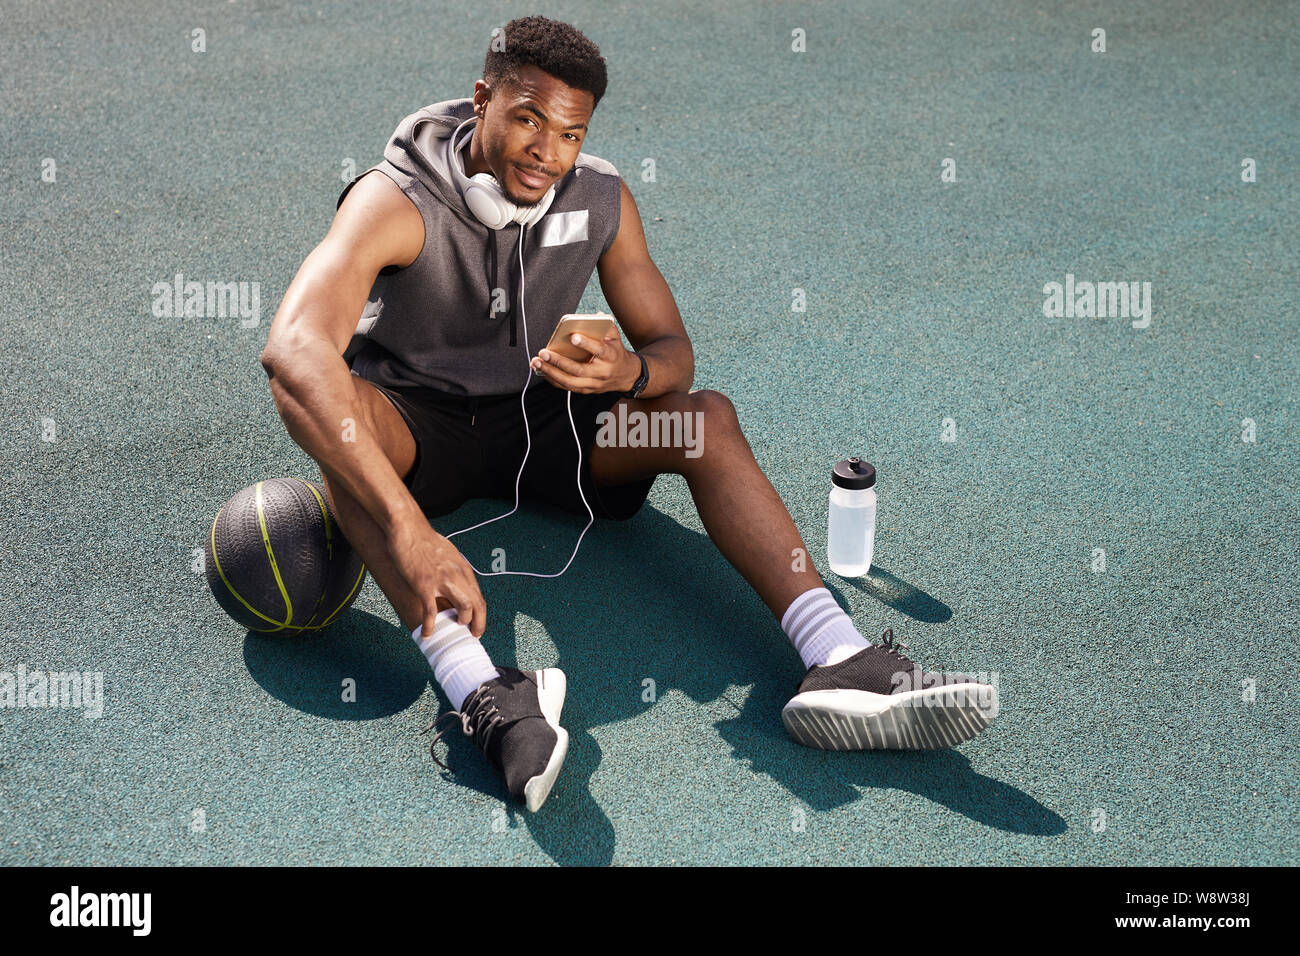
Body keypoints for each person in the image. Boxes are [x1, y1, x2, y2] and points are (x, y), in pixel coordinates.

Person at [259, 15, 998, 812]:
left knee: (701, 419)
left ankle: (838, 655)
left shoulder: (602, 200)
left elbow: (673, 349)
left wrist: (631, 370)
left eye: (570, 134)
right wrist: (411, 531)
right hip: (416, 422)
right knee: (344, 455)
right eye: (528, 119)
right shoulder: (393, 201)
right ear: (482, 100)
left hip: (547, 421)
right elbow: (294, 352)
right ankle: (484, 693)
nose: (548, 152)